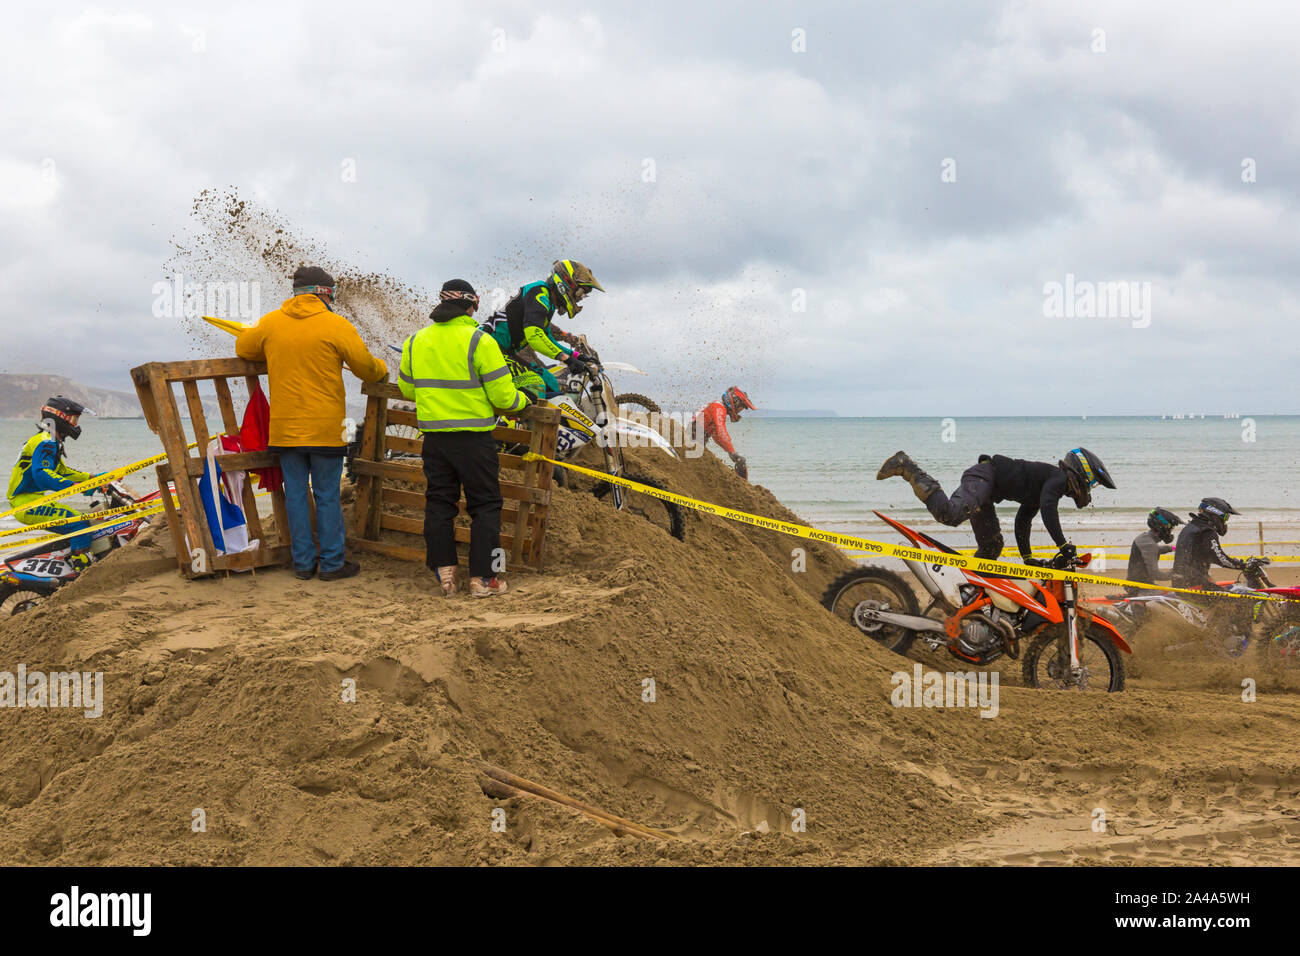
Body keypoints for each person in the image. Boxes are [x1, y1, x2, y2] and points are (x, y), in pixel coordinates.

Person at [236, 266, 388, 581]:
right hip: (325, 430)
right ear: (323, 292)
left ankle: (303, 564)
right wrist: (383, 366)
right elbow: (367, 369)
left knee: (295, 495)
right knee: (327, 494)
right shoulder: (336, 325)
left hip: (285, 430)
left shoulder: (271, 322)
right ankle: (332, 565)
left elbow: (243, 347)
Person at [399, 279, 531, 598]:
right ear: (472, 306)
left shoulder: (415, 341)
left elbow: (406, 389)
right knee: (486, 505)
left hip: (435, 440)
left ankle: (446, 574)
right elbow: (503, 395)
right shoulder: (479, 341)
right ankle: (485, 579)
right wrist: (525, 401)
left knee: (439, 503)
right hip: (474, 440)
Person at [876, 447, 1116, 562]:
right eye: (1093, 483)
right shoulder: (1057, 478)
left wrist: (1028, 557)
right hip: (983, 477)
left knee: (992, 547)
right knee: (950, 514)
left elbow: (1023, 520)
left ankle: (968, 589)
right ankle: (908, 467)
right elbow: (1049, 512)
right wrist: (1063, 545)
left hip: (987, 492)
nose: (1090, 489)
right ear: (1082, 473)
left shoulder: (1045, 485)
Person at [481, 259, 604, 397]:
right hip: (490, 350)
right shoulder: (539, 293)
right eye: (580, 292)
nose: (580, 298)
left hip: (500, 351)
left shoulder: (546, 300)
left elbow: (546, 338)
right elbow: (534, 336)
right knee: (535, 383)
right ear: (566, 283)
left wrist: (578, 356)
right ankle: (506, 419)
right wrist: (567, 359)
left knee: (549, 380)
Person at [6, 396, 104, 570]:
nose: (75, 425)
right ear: (60, 417)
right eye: (73, 419)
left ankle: (67, 562)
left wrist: (92, 478)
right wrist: (74, 487)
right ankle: (81, 569)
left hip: (31, 501)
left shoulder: (49, 440)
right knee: (80, 524)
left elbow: (62, 472)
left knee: (80, 522)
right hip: (27, 504)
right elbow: (41, 474)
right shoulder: (46, 440)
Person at [1170, 497, 1247, 591]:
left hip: (1181, 582)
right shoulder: (1207, 531)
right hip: (1194, 585)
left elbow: (1210, 555)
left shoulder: (1192, 527)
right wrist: (1244, 566)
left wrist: (1237, 562)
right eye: (1225, 517)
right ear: (1216, 514)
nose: (1225, 522)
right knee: (1242, 599)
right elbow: (1220, 558)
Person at [696, 386, 755, 479]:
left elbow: (717, 435)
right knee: (740, 462)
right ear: (734, 402)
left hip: (695, 444)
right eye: (740, 408)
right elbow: (721, 431)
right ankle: (741, 488)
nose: (739, 412)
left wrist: (730, 452)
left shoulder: (717, 407)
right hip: (693, 444)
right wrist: (732, 452)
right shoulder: (719, 408)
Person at [1126, 507, 1181, 593]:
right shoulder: (1150, 545)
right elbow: (1156, 575)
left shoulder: (1145, 537)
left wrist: (1173, 548)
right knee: (1177, 598)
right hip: (1141, 588)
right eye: (1170, 529)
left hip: (1136, 583)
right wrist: (1174, 574)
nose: (1170, 532)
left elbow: (1156, 549)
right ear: (1163, 527)